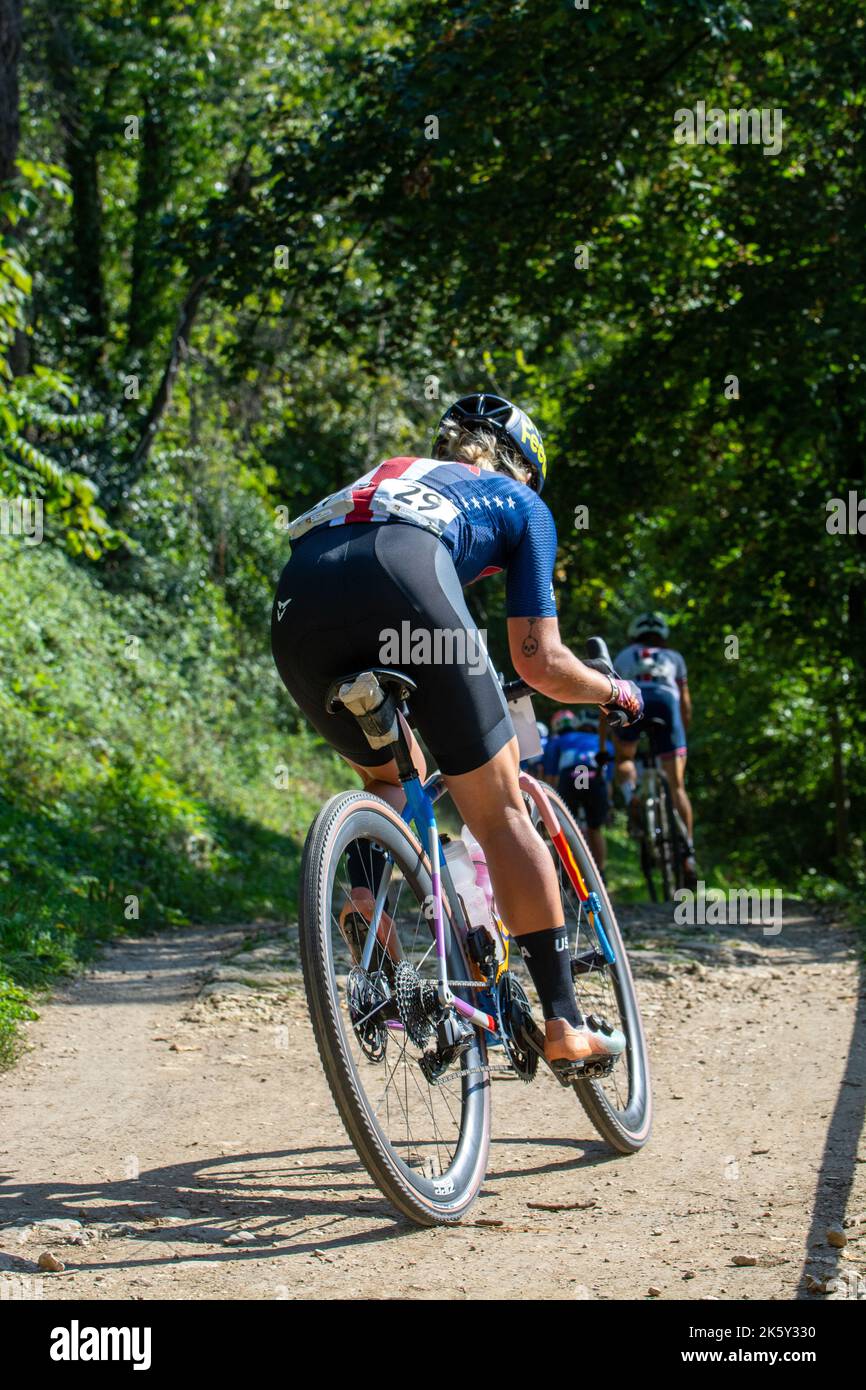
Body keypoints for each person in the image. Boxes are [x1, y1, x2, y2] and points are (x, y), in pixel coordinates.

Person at [271, 392, 643, 1072]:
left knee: (389, 772)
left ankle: (364, 902)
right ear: (524, 466)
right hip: (403, 576)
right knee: (500, 813)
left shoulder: (395, 472)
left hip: (298, 602)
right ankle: (564, 1022)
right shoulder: (520, 502)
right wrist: (615, 690)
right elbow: (541, 660)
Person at [612, 611, 696, 881]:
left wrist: (607, 744)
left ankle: (631, 797)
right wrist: (682, 734)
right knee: (677, 786)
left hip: (636, 702)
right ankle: (690, 854)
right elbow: (685, 703)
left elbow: (610, 698)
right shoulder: (675, 658)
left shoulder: (624, 656)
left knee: (624, 759)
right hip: (666, 705)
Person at [542, 708, 614, 873]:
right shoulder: (606, 744)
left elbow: (551, 777)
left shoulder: (559, 740)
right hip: (594, 778)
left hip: (570, 778)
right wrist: (607, 805)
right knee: (595, 829)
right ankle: (600, 874)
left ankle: (565, 874)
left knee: (565, 829)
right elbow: (608, 781)